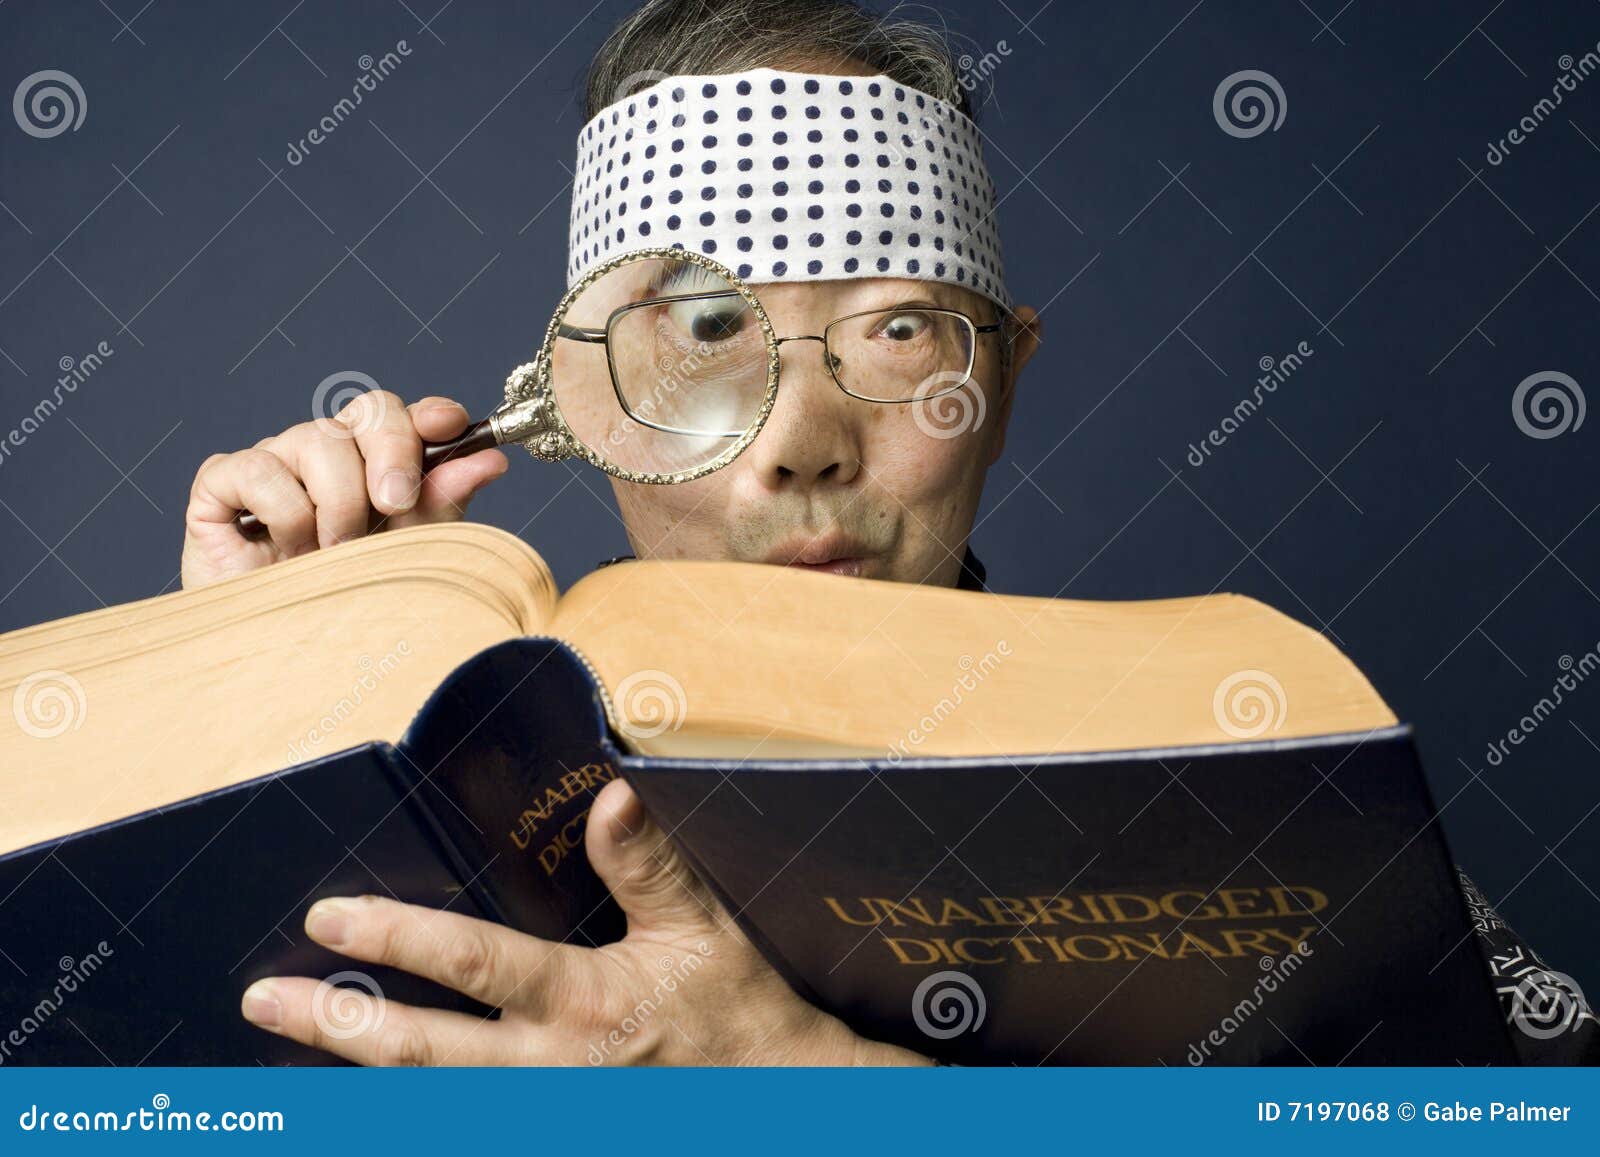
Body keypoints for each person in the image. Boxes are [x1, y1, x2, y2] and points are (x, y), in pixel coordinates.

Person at [179, 0, 1594, 1066]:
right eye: (706, 341)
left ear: (1003, 385)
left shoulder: (1239, 783)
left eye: (895, 328)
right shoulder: (450, 798)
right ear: (588, 408)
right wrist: (263, 718)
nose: (802, 440)